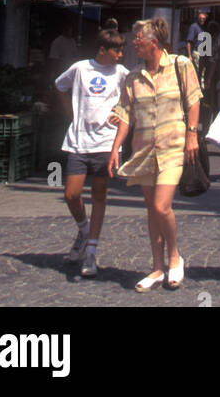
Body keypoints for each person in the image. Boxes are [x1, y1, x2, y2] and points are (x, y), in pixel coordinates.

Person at [108, 17, 201, 292]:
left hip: (173, 147)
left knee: (162, 206)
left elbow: (194, 100)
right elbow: (125, 115)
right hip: (144, 151)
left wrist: (193, 135)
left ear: (155, 43)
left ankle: (175, 257)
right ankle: (157, 267)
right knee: (152, 212)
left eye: (139, 40)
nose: (134, 44)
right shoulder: (132, 77)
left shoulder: (180, 65)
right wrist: (115, 149)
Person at [56, 28, 129, 277]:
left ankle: (91, 252)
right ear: (102, 50)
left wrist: (121, 113)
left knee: (99, 196)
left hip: (105, 143)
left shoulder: (121, 73)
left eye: (121, 50)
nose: (120, 55)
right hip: (78, 141)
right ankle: (84, 230)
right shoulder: (80, 69)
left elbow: (132, 97)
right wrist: (71, 115)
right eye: (116, 50)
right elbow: (59, 86)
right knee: (71, 193)